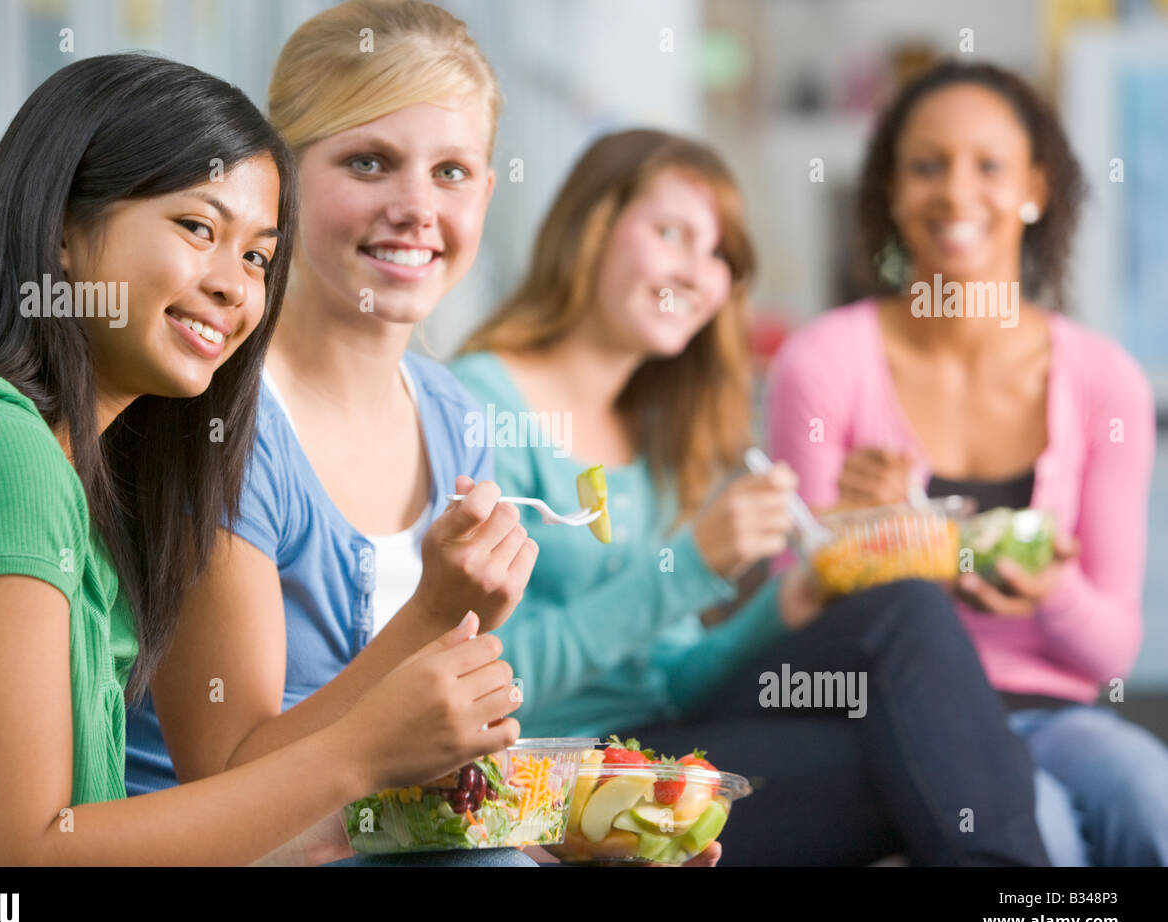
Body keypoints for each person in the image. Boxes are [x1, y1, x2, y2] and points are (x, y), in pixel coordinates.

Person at [0, 52, 519, 866]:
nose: (234, 287)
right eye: (199, 228)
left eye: (256, 256)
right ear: (63, 234)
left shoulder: (76, 473)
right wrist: (359, 754)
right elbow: (18, 860)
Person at [450, 128, 1053, 866]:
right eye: (672, 233)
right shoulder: (482, 405)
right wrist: (694, 563)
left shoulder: (653, 438)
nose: (698, 274)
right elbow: (481, 681)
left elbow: (672, 681)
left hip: (656, 736)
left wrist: (795, 596)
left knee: (910, 620)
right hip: (556, 774)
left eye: (719, 256)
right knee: (943, 766)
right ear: (592, 227)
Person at [122, 0, 542, 866]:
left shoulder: (454, 413)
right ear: (279, 177)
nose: (417, 207)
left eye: (453, 172)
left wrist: (569, 836)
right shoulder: (221, 424)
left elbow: (441, 760)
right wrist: (431, 614)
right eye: (370, 161)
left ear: (489, 191)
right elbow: (227, 784)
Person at [767, 60, 1166, 866]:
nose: (956, 192)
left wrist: (1050, 596)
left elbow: (1113, 651)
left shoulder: (1104, 381)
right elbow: (788, 612)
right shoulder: (823, 364)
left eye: (988, 165)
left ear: (1036, 188)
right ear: (888, 191)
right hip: (901, 717)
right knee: (1042, 835)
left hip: (1057, 713)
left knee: (1149, 795)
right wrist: (855, 538)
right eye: (926, 165)